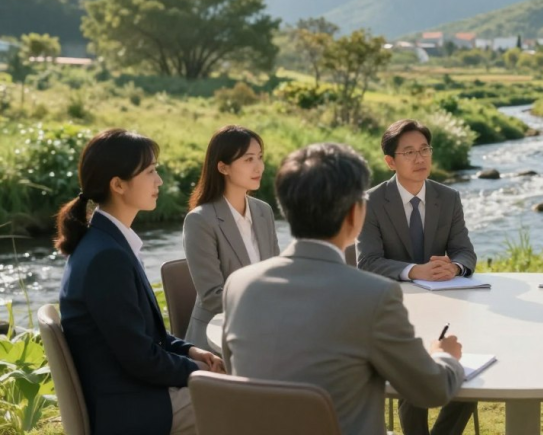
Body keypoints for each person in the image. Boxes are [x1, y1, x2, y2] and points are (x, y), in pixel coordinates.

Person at [223, 142, 466, 435]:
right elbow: (431, 390)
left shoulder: (239, 285)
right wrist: (444, 355)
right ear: (355, 215)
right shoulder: (373, 296)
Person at [58, 129, 224, 435]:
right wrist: (201, 372)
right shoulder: (106, 257)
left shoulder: (105, 243)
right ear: (118, 184)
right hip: (135, 408)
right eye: (150, 172)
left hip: (134, 393)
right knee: (249, 405)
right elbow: (140, 359)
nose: (158, 180)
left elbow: (141, 338)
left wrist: (190, 352)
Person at [356, 119, 477, 435]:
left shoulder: (447, 197)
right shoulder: (370, 202)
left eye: (424, 149)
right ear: (390, 161)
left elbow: (465, 252)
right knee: (412, 379)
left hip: (446, 309)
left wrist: (455, 267)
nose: (419, 158)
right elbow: (367, 261)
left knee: (466, 372)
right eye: (409, 152)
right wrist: (413, 271)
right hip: (393, 311)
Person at [181, 125, 279, 350]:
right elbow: (213, 296)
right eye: (248, 160)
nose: (258, 167)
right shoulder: (200, 220)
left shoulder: (264, 211)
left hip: (265, 331)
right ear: (223, 167)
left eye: (260, 157)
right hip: (217, 341)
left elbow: (276, 274)